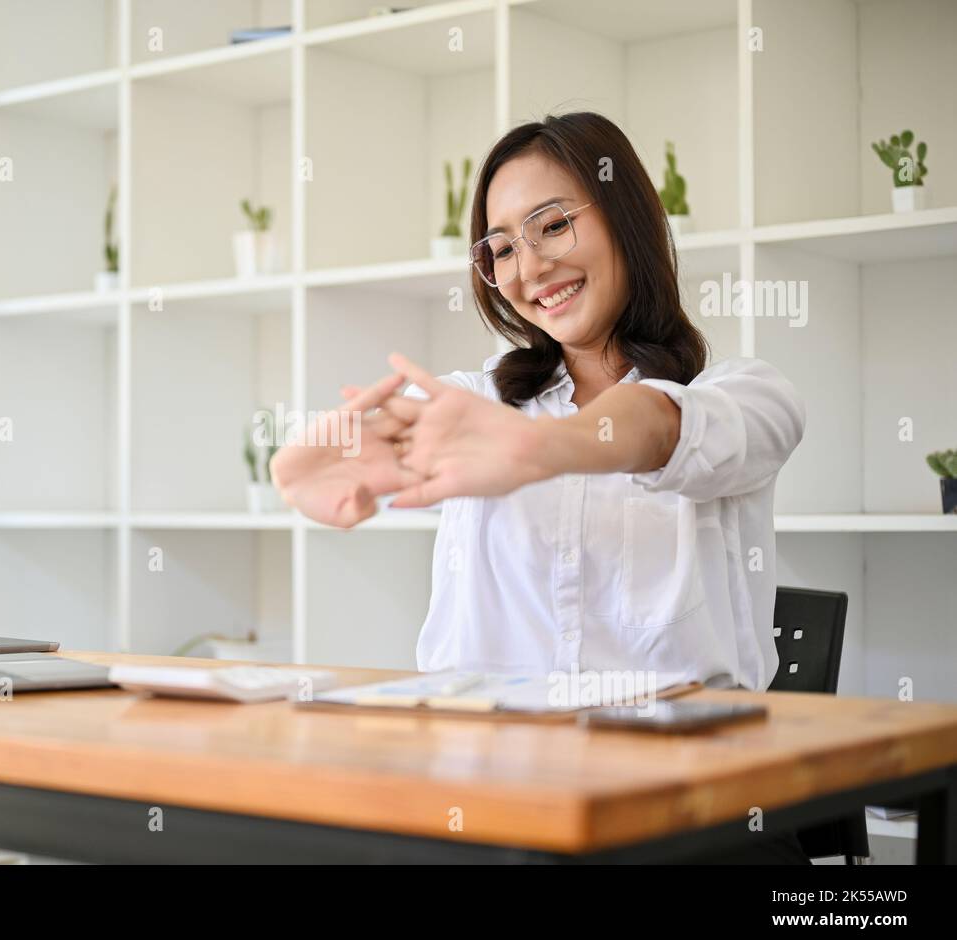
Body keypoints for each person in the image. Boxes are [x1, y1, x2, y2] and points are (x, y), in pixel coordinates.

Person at [271, 112, 811, 864]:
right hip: (488, 801)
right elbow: (341, 450)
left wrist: (540, 448)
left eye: (552, 225)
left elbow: (660, 426)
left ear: (627, 220)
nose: (528, 268)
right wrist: (305, 462)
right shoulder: (477, 403)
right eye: (501, 248)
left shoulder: (746, 394)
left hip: (691, 813)